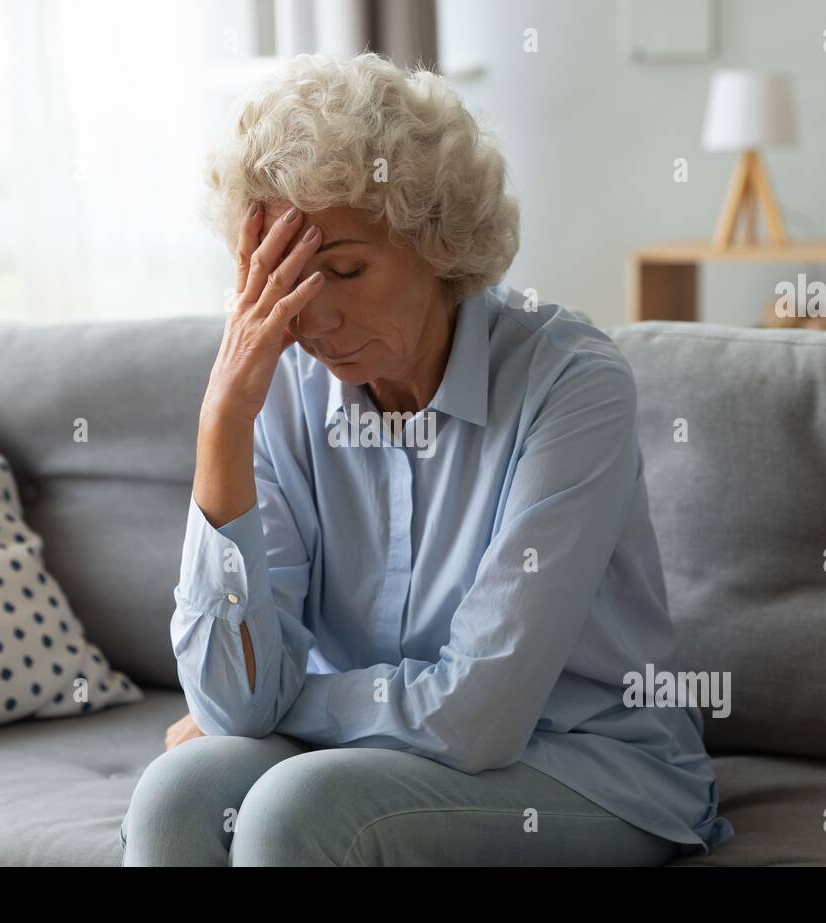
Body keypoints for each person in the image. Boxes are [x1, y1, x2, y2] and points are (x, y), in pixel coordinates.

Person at [120, 51, 733, 866]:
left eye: (343, 268)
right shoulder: (283, 387)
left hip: (590, 767)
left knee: (295, 810)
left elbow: (475, 717)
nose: (314, 318)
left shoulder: (571, 384)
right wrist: (223, 420)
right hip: (368, 752)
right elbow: (232, 700)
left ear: (437, 240)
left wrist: (284, 704)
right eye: (288, 279)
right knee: (176, 795)